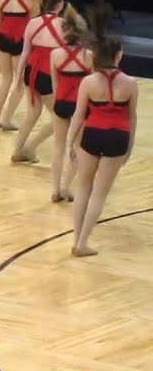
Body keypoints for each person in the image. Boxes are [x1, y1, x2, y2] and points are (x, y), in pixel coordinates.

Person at [69, 34, 138, 257]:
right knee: (99, 194)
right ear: (118, 55)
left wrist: (71, 143)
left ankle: (76, 239)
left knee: (82, 189)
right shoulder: (130, 83)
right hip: (118, 136)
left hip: (92, 134)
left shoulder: (88, 82)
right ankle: (83, 242)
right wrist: (130, 145)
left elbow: (78, 116)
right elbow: (132, 116)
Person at [11, 0, 69, 163]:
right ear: (60, 5)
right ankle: (30, 148)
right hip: (48, 74)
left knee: (33, 112)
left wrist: (19, 78)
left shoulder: (33, 23)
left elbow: (25, 52)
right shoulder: (64, 25)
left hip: (31, 71)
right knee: (61, 117)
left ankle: (17, 150)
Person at [41, 8, 91, 202]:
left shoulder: (55, 54)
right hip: (80, 105)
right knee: (78, 147)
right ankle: (66, 186)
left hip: (60, 101)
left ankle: (54, 189)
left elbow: (55, 83)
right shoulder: (89, 55)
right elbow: (92, 83)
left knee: (58, 146)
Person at [0, 0, 44, 131]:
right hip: (21, 41)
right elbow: (34, 23)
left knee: (5, 79)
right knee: (19, 83)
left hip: (3, 38)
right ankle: (7, 119)